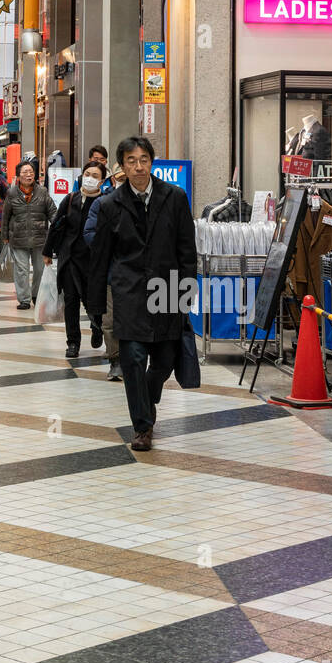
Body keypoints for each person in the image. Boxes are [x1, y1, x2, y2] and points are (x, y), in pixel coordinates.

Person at [86, 136, 197, 452]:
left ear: (152, 161)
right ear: (121, 166)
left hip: (167, 289)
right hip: (129, 292)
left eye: (144, 159)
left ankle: (147, 400)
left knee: (163, 360)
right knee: (133, 359)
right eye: (131, 160)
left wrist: (186, 290)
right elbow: (101, 257)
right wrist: (95, 306)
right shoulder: (108, 205)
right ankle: (143, 427)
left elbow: (187, 249)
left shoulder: (174, 197)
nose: (138, 166)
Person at [44, 162, 108, 356]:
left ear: (102, 180)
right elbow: (56, 225)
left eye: (95, 175)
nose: (90, 178)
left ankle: (97, 327)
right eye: (87, 173)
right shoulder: (71, 199)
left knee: (93, 301)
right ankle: (73, 342)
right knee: (71, 301)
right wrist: (48, 251)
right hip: (70, 258)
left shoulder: (106, 202)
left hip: (93, 261)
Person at [83, 162, 126, 380]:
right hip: (111, 271)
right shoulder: (102, 203)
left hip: (139, 273)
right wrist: (109, 245)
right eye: (120, 176)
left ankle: (133, 358)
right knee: (109, 320)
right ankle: (115, 360)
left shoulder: (147, 201)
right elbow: (89, 232)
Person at [2, 160, 57, 310]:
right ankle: (24, 299)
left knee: (40, 269)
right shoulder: (12, 193)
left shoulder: (42, 191)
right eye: (25, 172)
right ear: (18, 176)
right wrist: (4, 235)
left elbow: (52, 211)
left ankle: (36, 294)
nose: (29, 175)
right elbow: (6, 215)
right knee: (22, 269)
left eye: (31, 172)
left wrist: (57, 225)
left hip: (40, 237)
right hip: (18, 237)